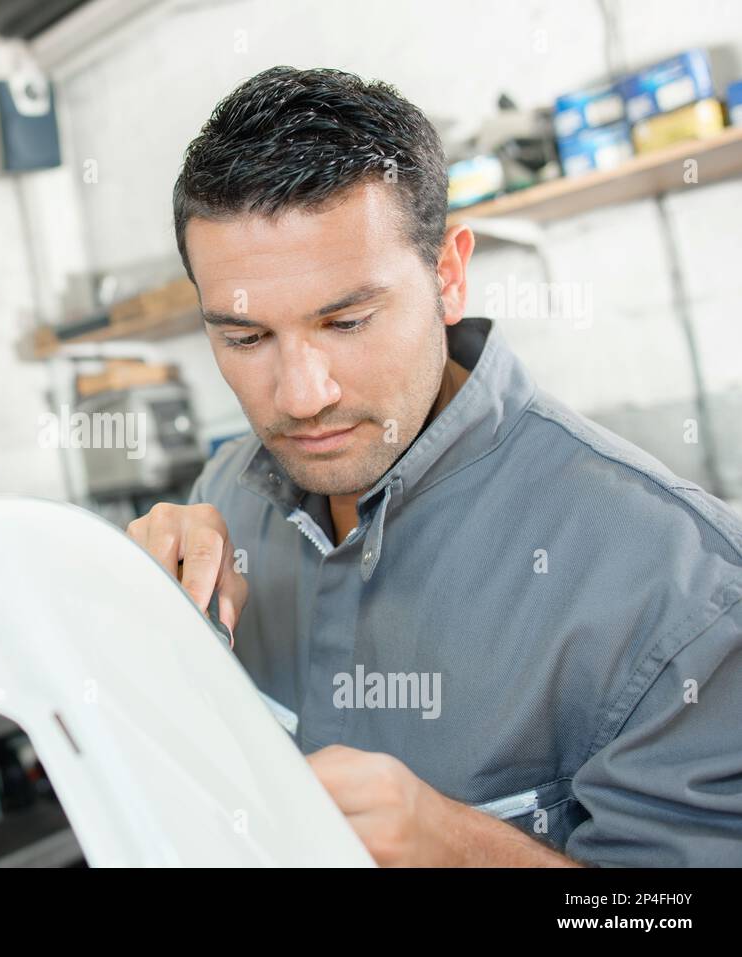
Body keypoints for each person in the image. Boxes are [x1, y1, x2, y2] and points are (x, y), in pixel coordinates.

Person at [128, 66, 742, 866]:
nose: (302, 397)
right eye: (245, 339)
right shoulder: (223, 501)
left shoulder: (683, 587)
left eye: (347, 320)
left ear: (449, 275)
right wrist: (138, 610)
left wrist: (465, 851)